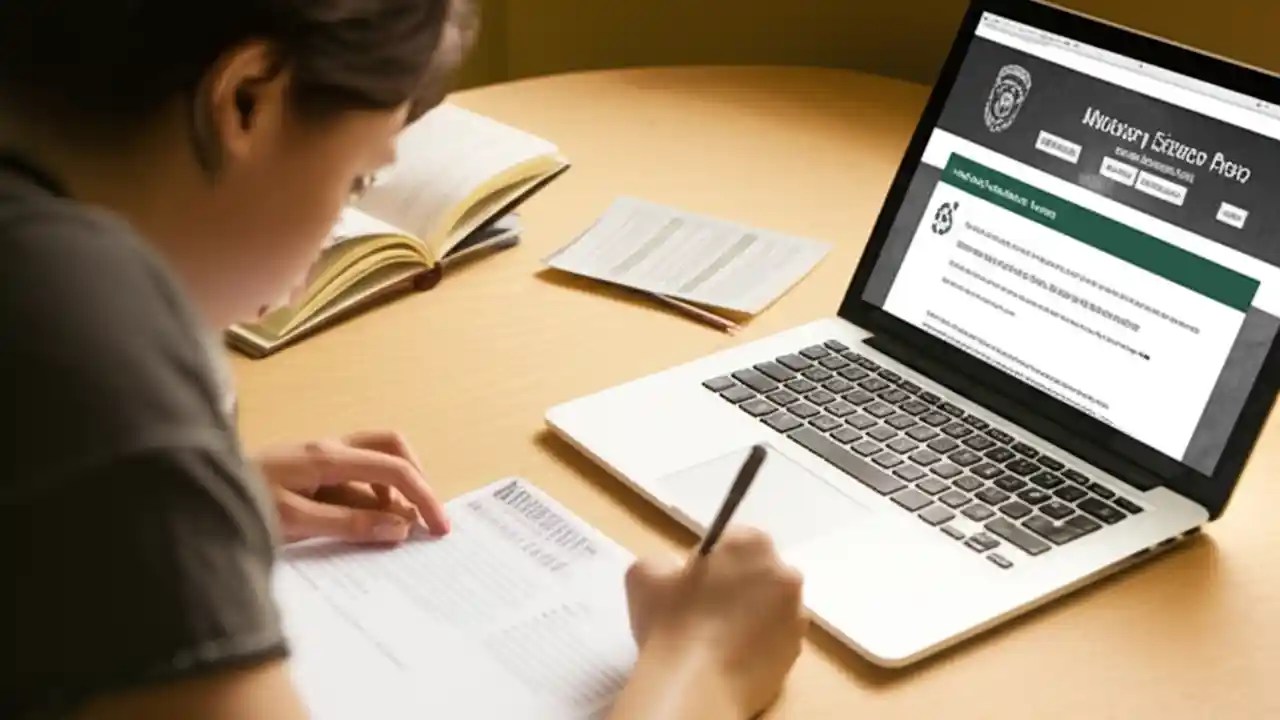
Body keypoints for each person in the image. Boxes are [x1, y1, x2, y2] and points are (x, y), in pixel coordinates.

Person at [0, 1, 809, 718]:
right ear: (247, 99)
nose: (337, 229)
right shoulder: (80, 342)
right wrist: (701, 667)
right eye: (357, 180)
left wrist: (185, 513)